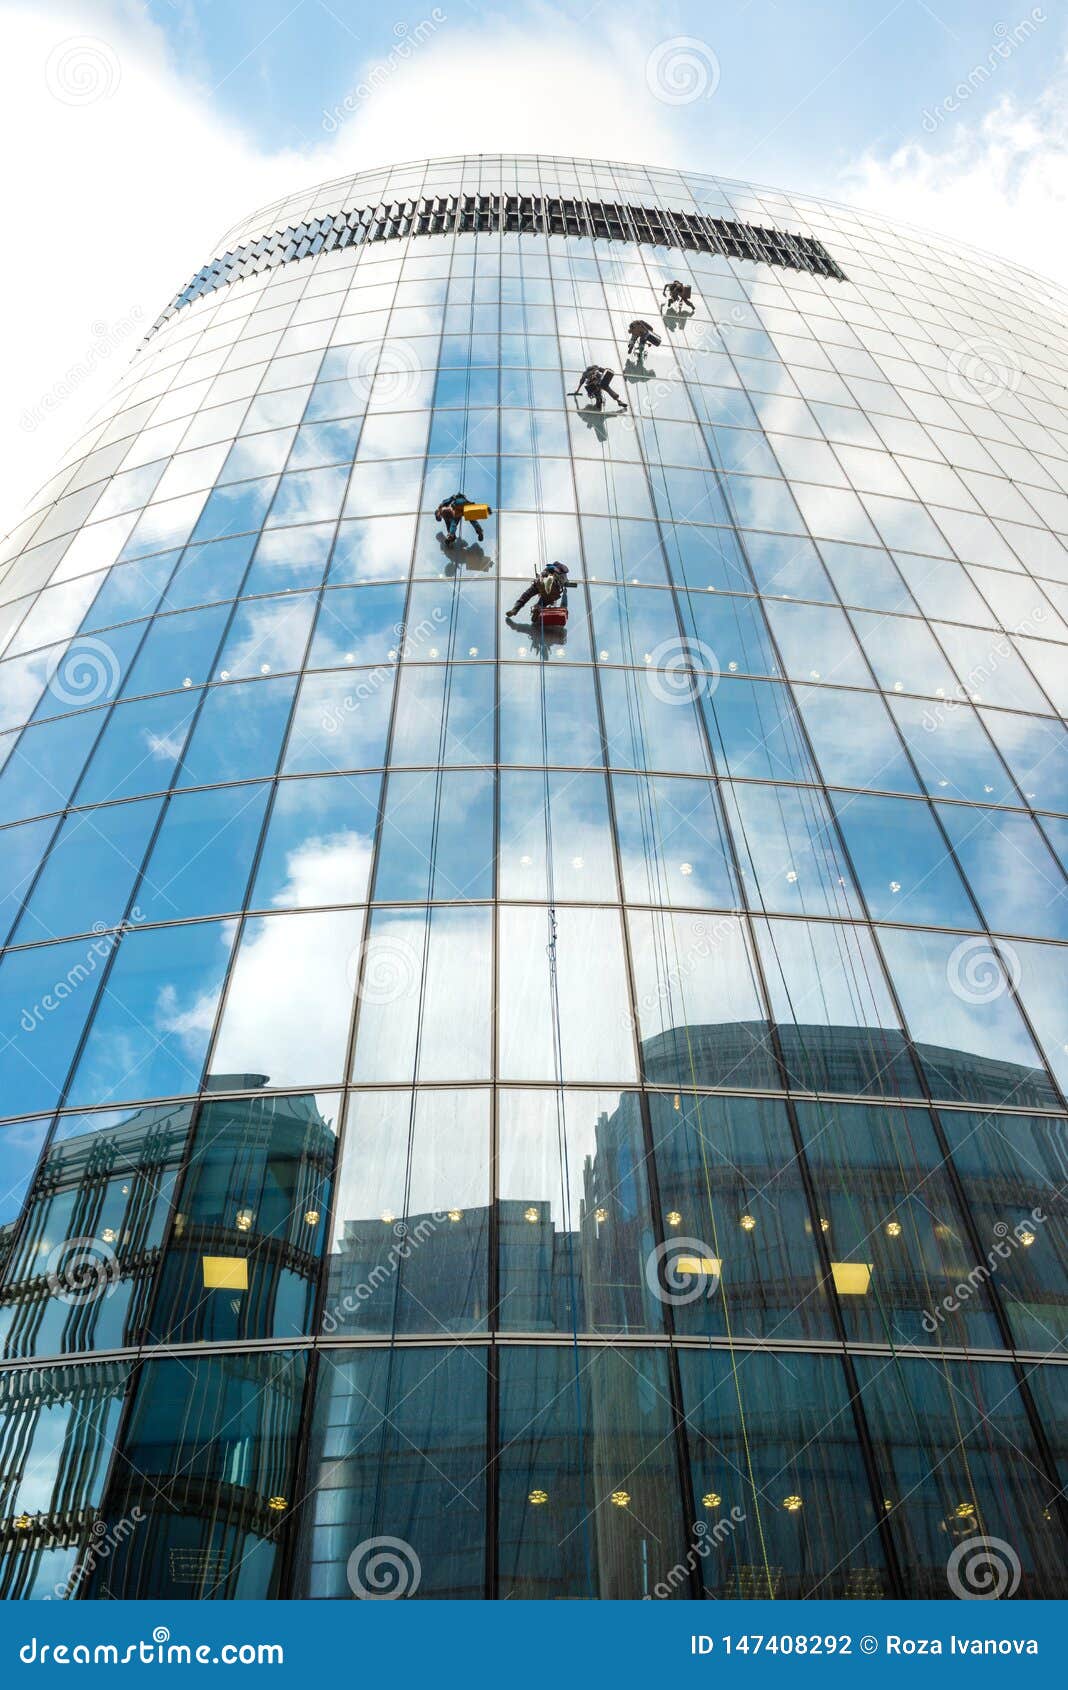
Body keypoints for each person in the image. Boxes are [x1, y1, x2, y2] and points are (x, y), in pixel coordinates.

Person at [507, 561, 572, 621]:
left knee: (526, 595)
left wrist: (539, 577)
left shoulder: (551, 567)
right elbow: (565, 584)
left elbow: (544, 573)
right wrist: (564, 593)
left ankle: (515, 609)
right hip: (554, 590)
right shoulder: (564, 575)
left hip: (541, 584)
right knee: (544, 601)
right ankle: (537, 609)